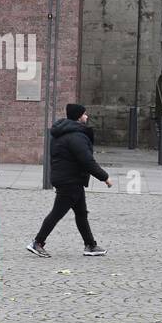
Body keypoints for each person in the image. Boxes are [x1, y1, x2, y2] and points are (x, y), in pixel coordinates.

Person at [27, 103, 112, 258]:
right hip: (69, 181)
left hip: (70, 179)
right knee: (57, 213)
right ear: (79, 117)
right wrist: (104, 177)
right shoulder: (76, 136)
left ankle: (90, 245)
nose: (87, 117)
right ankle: (37, 242)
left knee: (81, 213)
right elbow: (87, 161)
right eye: (85, 114)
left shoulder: (62, 132)